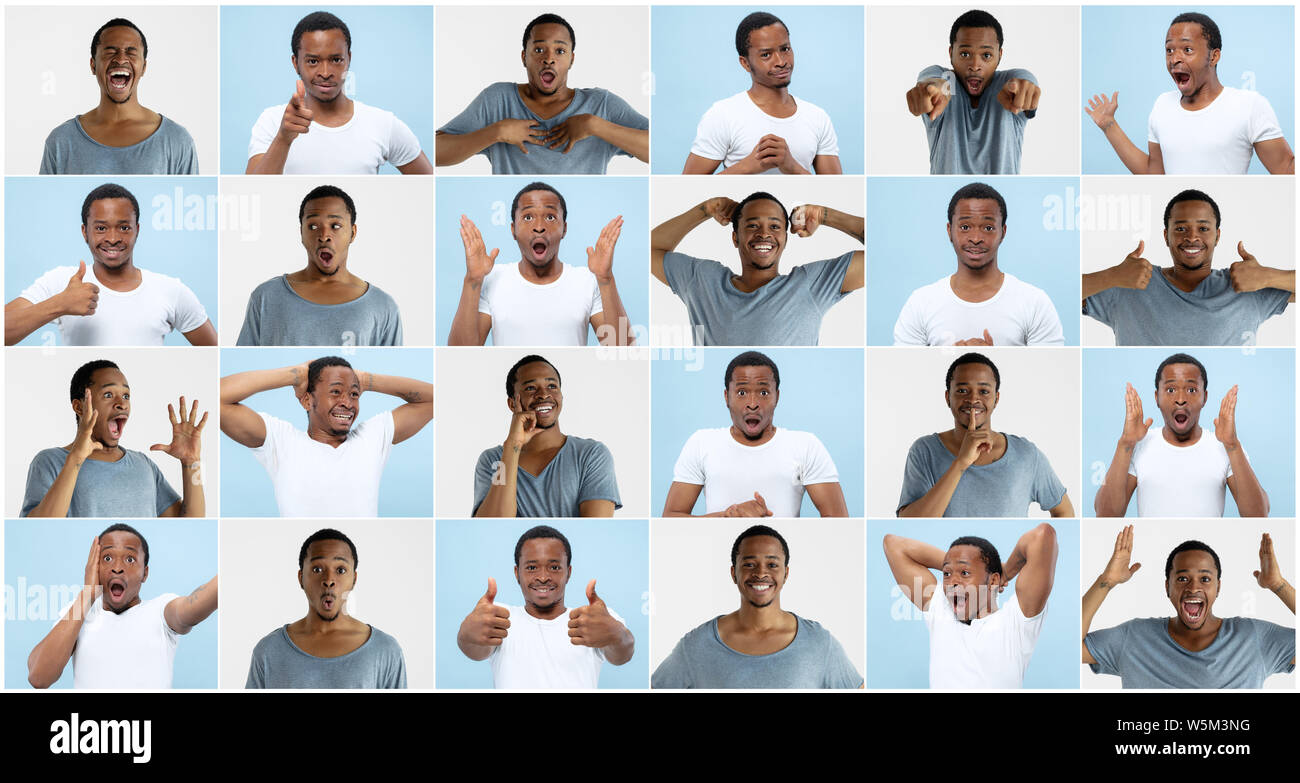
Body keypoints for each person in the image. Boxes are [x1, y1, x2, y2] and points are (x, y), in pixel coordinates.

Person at [219, 357, 433, 517]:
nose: (347, 403)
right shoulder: (281, 441)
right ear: (306, 401)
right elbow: (218, 397)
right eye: (335, 392)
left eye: (354, 394)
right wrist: (295, 374)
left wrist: (367, 380)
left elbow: (433, 399)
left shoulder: (373, 436)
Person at [652, 525, 861, 688]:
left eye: (772, 565)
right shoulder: (696, 646)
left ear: (786, 574)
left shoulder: (819, 643)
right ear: (734, 573)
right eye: (749, 564)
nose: (761, 573)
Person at [6, 184, 216, 347]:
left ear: (137, 230)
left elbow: (214, 354)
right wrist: (61, 304)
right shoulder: (60, 282)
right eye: (101, 228)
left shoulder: (171, 290)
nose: (113, 238)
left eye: (124, 227)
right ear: (84, 232)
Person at [1083, 527, 1295, 688]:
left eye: (1205, 578)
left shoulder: (1253, 637)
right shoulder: (1134, 637)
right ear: (1168, 586)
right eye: (1183, 578)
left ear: (1218, 587)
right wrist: (1106, 582)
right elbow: (1070, 648)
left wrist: (1278, 586)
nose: (1194, 587)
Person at [437, 13, 648, 174]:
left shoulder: (601, 104)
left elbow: (656, 148)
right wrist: (497, 131)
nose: (549, 58)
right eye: (539, 50)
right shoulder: (497, 100)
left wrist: (595, 125)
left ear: (572, 59)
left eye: (560, 50)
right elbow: (436, 152)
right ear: (523, 57)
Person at [1086, 12, 1294, 175]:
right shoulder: (1162, 105)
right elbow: (1154, 173)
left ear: (1214, 57)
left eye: (1187, 50)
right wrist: (1109, 126)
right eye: (1169, 50)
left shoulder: (1249, 105)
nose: (1174, 58)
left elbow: (1286, 170)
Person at [1082, 189, 1294, 346]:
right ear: (1166, 236)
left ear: (1217, 235)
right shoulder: (1126, 285)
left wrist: (1268, 276)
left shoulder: (1248, 287)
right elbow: (1058, 294)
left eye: (1203, 228)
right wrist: (1112, 276)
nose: (1192, 237)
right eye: (1181, 228)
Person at [651, 192, 863, 345]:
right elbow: (650, 249)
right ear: (735, 237)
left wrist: (824, 215)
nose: (764, 234)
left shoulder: (811, 285)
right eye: (752, 225)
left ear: (785, 239)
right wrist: (705, 210)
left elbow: (884, 252)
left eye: (775, 226)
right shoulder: (703, 281)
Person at [27, 524, 217, 689]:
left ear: (145, 573)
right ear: (94, 567)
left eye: (130, 559)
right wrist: (87, 595)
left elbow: (195, 603)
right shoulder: (79, 613)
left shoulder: (161, 611)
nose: (117, 567)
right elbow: (39, 677)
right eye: (107, 558)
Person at [664, 351, 846, 518]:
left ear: (777, 397)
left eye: (764, 392)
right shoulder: (701, 443)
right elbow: (671, 519)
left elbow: (839, 523)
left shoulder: (806, 446)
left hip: (784, 551)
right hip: (717, 551)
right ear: (727, 396)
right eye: (742, 392)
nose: (752, 403)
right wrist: (728, 516)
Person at [246, 11, 432, 175]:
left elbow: (429, 185)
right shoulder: (271, 122)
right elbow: (255, 193)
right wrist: (283, 139)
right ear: (296, 63)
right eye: (312, 61)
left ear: (348, 59)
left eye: (336, 59)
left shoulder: (383, 124)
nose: (326, 73)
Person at [449, 182, 633, 346]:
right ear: (513, 230)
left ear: (564, 229)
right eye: (528, 217)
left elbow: (623, 353)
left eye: (550, 217)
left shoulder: (587, 281)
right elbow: (460, 356)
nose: (539, 226)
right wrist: (473, 280)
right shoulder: (492, 279)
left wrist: (606, 279)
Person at [22, 360, 207, 518]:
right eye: (108, 395)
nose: (121, 403)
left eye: (126, 395)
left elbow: (192, 522)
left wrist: (192, 463)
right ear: (79, 407)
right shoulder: (50, 461)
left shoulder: (143, 464)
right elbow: (39, 528)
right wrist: (76, 458)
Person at [457, 526, 634, 689]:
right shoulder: (499, 618)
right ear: (517, 573)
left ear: (568, 572)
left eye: (555, 567)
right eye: (532, 567)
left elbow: (623, 653)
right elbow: (474, 650)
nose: (543, 577)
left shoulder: (592, 620)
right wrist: (466, 635)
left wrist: (615, 634)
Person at [1094, 353, 1268, 518]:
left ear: (1204, 397)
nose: (1180, 399)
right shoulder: (1138, 445)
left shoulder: (1226, 446)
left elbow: (1259, 514)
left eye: (1192, 390)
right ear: (1157, 397)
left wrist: (1232, 445)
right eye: (1170, 390)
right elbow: (1105, 514)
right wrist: (1126, 444)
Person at [883, 524, 1057, 688]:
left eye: (965, 573)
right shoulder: (940, 610)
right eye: (947, 574)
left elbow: (1042, 536)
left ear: (993, 580)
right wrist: (955, 565)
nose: (952, 583)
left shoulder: (1016, 622)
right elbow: (893, 545)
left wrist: (1008, 571)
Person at [898, 353, 1072, 518]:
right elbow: (910, 524)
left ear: (996, 399)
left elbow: (1065, 512)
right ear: (947, 397)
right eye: (962, 391)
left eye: (984, 391)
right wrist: (961, 463)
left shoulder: (1026, 455)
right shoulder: (924, 451)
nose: (973, 399)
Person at [894, 182, 1064, 346]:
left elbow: (1048, 373)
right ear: (949, 230)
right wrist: (950, 362)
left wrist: (991, 361)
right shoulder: (921, 303)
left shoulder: (1035, 302)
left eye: (988, 228)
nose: (976, 239)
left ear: (1003, 232)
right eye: (965, 227)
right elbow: (905, 372)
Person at [237, 185, 402, 346]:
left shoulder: (382, 306)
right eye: (313, 226)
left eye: (335, 226)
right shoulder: (266, 297)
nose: (324, 236)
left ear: (353, 232)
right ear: (301, 232)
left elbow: (387, 369)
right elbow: (245, 367)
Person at [683, 12, 840, 175]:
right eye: (766, 54)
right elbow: (687, 188)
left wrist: (792, 166)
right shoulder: (722, 115)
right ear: (745, 63)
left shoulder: (817, 118)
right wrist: (747, 166)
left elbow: (836, 194)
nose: (781, 62)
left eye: (785, 49)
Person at [247, 529, 407, 688]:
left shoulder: (385, 651)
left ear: (354, 579)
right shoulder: (269, 651)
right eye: (317, 569)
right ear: (301, 578)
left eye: (340, 570)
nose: (329, 580)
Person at [41, 18, 199, 175]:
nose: (121, 59)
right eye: (110, 52)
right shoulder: (61, 141)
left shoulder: (177, 140)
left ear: (144, 67)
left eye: (131, 53)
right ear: (93, 65)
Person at [474, 356, 620, 518]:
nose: (544, 395)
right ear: (512, 403)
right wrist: (513, 445)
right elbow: (494, 525)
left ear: (561, 397)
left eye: (552, 386)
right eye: (530, 388)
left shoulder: (591, 455)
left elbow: (594, 530)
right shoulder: (493, 460)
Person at [905, 10, 1040, 175]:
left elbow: (1024, 81)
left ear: (1000, 55)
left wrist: (1024, 90)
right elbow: (933, 81)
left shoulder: (1011, 81)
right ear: (951, 54)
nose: (975, 65)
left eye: (986, 55)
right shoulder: (944, 79)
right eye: (965, 54)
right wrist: (931, 90)